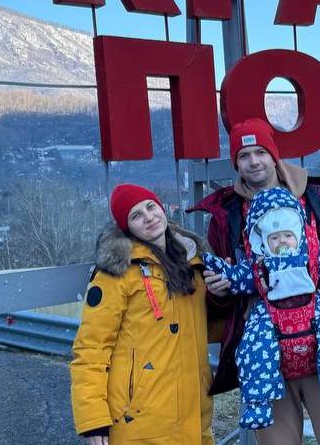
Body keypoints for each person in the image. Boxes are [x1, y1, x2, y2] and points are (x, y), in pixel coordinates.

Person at [189, 117, 320, 445]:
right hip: (264, 350)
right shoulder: (226, 214)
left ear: (274, 155)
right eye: (244, 156)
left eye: (260, 152)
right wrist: (219, 290)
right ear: (236, 164)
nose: (253, 161)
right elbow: (221, 285)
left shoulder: (318, 197)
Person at [201, 186, 320, 429]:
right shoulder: (257, 264)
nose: (282, 242)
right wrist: (222, 274)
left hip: (313, 311)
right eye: (274, 238)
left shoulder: (312, 254)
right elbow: (237, 279)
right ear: (263, 241)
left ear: (297, 233)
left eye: (288, 235)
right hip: (270, 316)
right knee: (254, 348)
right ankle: (258, 403)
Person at [71, 184, 214, 444]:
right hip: (139, 418)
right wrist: (93, 420)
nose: (148, 217)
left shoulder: (195, 263)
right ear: (127, 228)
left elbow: (210, 328)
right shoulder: (116, 273)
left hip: (194, 410)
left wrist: (223, 296)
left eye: (150, 207)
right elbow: (92, 348)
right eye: (136, 215)